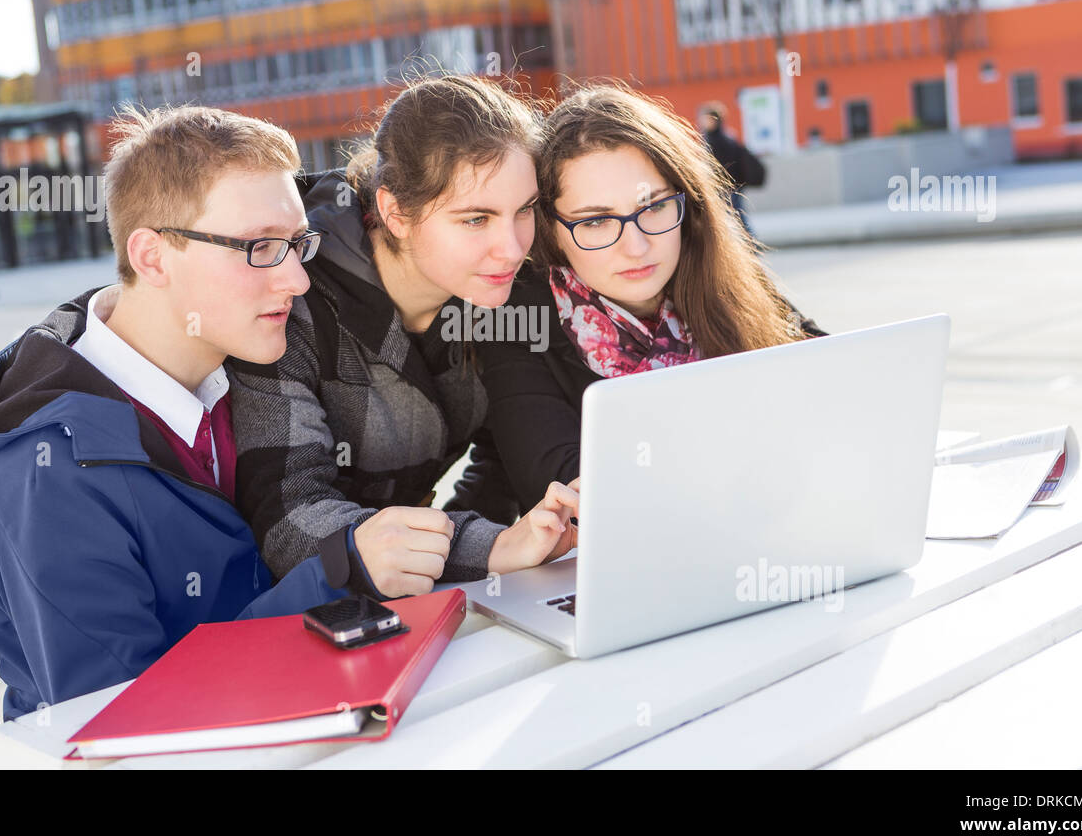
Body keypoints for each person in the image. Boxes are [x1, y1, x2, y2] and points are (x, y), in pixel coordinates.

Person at [0, 105, 359, 721]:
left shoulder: (237, 368)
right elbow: (123, 719)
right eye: (259, 248)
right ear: (152, 258)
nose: (297, 280)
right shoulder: (47, 474)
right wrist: (340, 571)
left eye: (296, 244)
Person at [229, 74, 579, 602]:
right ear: (395, 213)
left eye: (524, 210)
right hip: (288, 616)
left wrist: (491, 549)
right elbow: (291, 522)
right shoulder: (293, 300)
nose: (511, 248)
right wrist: (485, 548)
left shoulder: (498, 289)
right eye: (475, 219)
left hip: (420, 600)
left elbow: (503, 452)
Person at [474, 84, 826, 514]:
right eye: (597, 221)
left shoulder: (726, 276)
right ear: (552, 230)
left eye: (654, 207)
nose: (636, 246)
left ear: (687, 203)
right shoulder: (518, 319)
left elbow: (836, 384)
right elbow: (563, 485)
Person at [698, 100, 766, 240]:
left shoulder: (719, 140)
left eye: (706, 118)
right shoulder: (722, 137)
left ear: (714, 120)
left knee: (737, 218)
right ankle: (749, 246)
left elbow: (723, 166)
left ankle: (751, 246)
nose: (702, 121)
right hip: (727, 187)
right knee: (735, 218)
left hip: (728, 188)